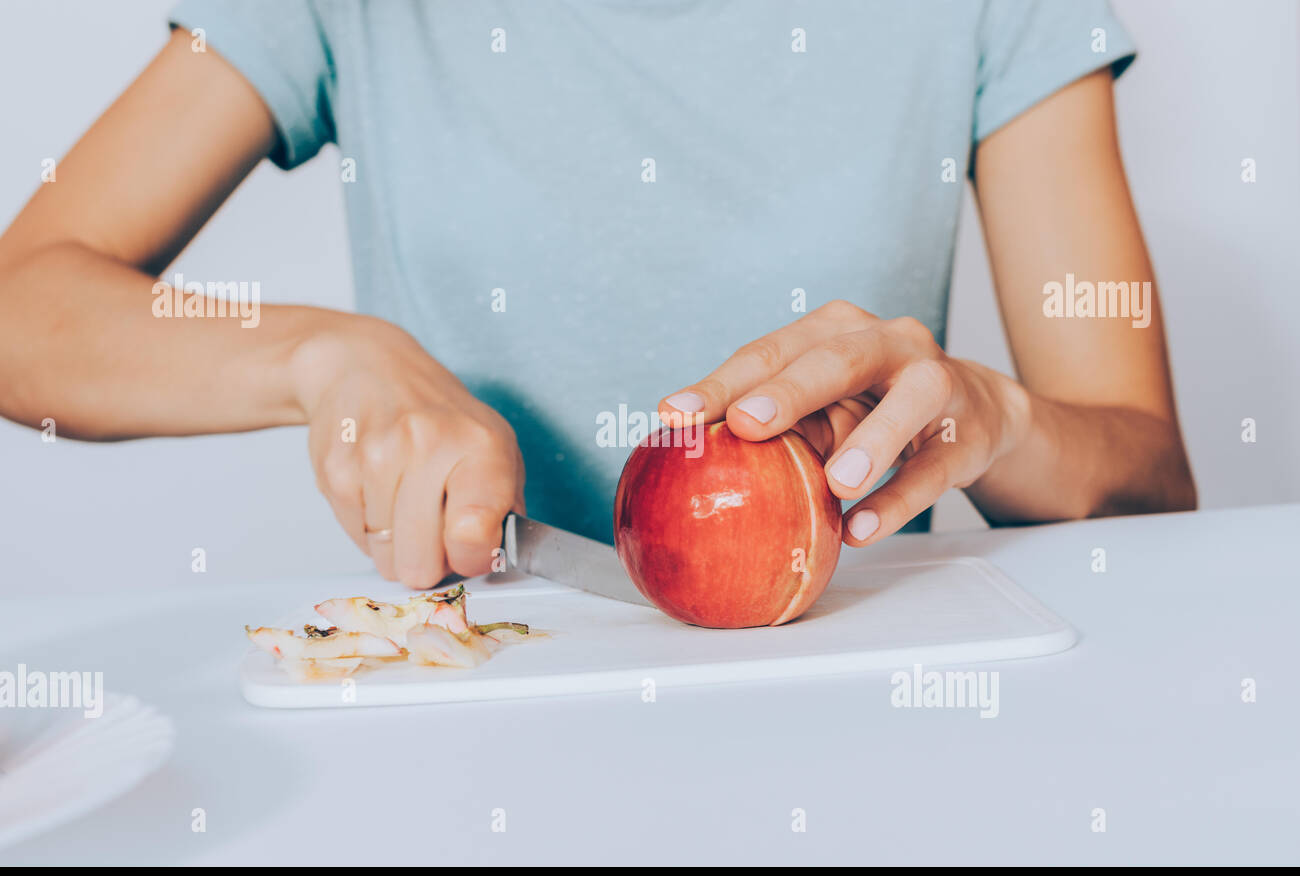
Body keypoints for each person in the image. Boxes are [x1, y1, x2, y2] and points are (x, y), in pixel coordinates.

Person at [0, 1, 1195, 590]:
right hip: (484, 711)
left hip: (848, 701)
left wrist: (1002, 421)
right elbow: (22, 306)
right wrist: (326, 357)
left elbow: (1149, 483)